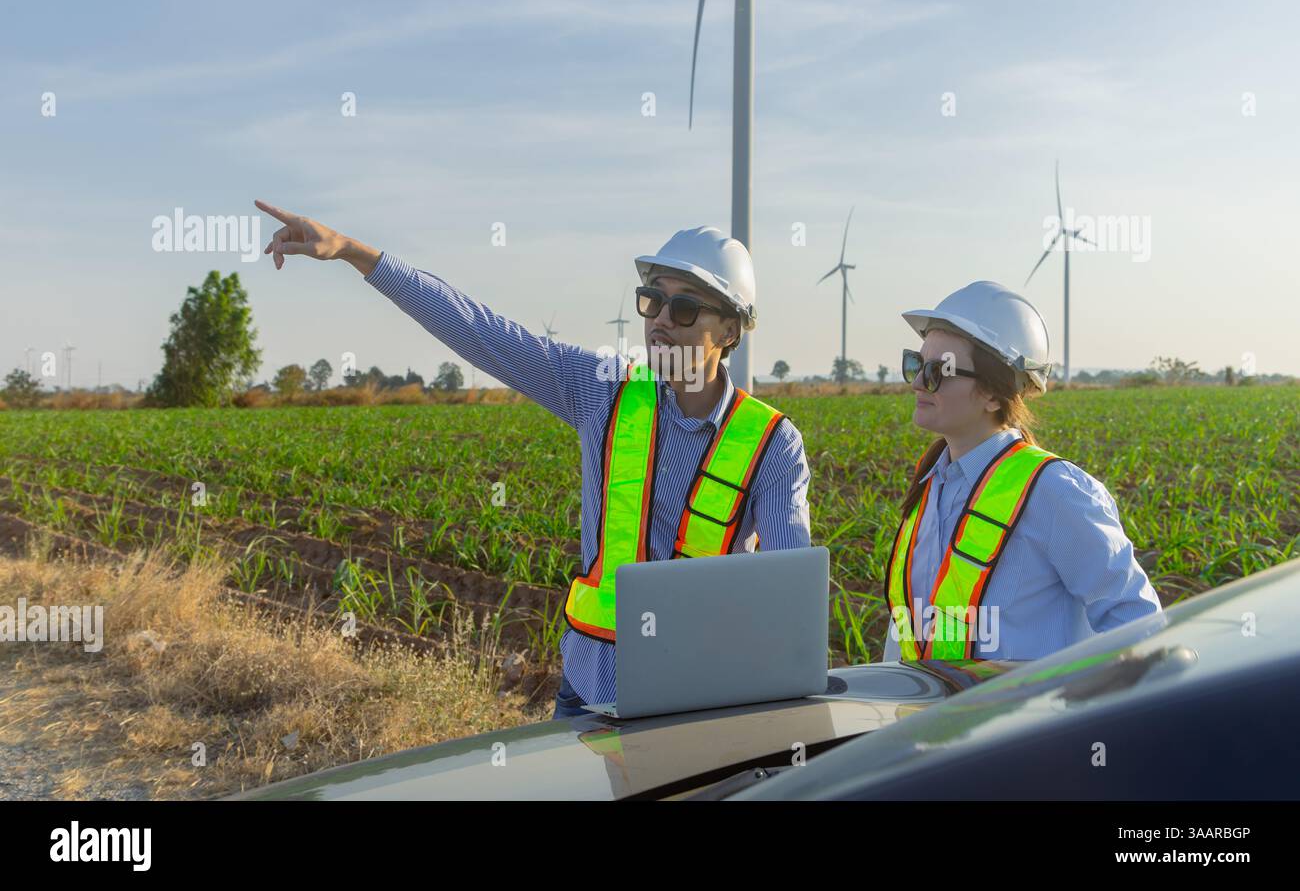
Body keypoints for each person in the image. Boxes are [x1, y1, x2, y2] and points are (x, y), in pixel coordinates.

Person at [253, 201, 812, 718]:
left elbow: (787, 605)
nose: (661, 318)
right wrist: (355, 253)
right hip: (590, 692)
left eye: (685, 306)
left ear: (731, 329)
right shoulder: (602, 389)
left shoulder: (771, 445)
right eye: (653, 300)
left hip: (695, 708)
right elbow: (481, 331)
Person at [883, 280, 1160, 662]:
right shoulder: (932, 484)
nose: (917, 382)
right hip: (936, 717)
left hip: (1031, 721)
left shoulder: (1055, 491)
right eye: (915, 364)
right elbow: (911, 627)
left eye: (938, 371)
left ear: (993, 394)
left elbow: (1138, 629)